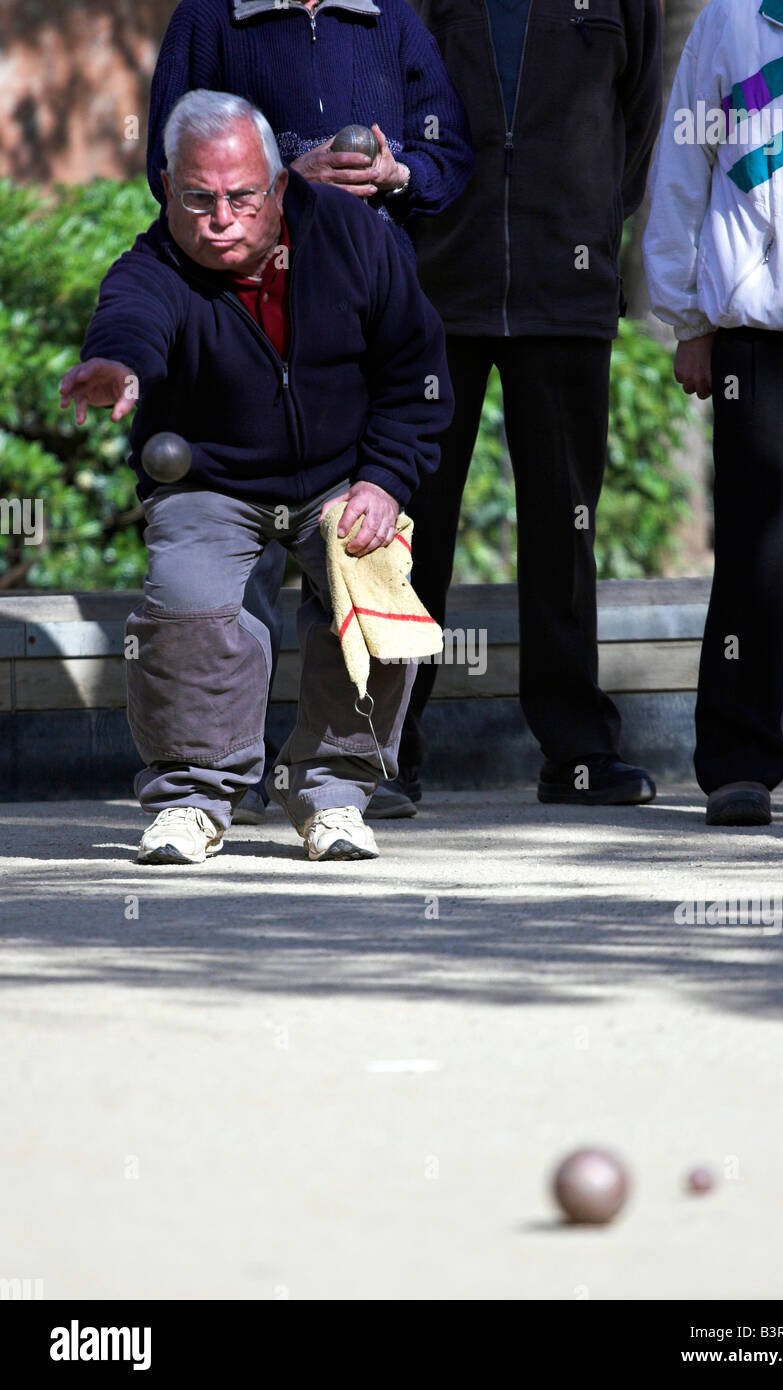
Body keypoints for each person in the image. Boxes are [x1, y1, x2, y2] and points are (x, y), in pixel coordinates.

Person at [60, 91, 451, 864]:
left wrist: (383, 480)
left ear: (277, 186)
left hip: (343, 476)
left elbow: (417, 373)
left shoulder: (350, 237)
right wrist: (116, 363)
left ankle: (334, 794)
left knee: (379, 586)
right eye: (199, 198)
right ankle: (193, 798)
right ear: (170, 190)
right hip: (212, 482)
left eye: (242, 197)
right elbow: (130, 320)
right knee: (189, 606)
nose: (221, 219)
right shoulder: (153, 268)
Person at [145, 0, 473, 823]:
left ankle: (340, 786)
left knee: (365, 563)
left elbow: (450, 158)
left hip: (357, 322)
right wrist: (287, 175)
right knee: (229, 583)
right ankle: (226, 779)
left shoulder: (391, 19)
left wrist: (396, 175)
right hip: (237, 321)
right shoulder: (209, 20)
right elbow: (165, 162)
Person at [394, 0, 663, 809]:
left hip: (565, 289)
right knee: (414, 524)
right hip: (438, 289)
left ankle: (578, 753)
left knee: (564, 525)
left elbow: (639, 118)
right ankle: (385, 747)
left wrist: (586, 221)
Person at [644, 0, 783, 827]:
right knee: (753, 557)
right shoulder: (736, 20)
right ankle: (739, 763)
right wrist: (688, 318)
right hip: (760, 339)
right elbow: (681, 163)